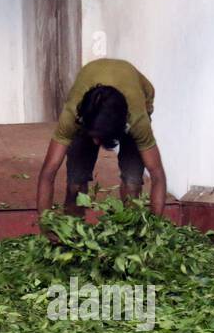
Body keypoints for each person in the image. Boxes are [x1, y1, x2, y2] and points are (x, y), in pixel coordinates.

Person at [35, 57, 167, 224]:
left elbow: (157, 175)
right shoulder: (72, 115)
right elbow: (48, 172)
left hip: (133, 105)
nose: (96, 144)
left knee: (132, 183)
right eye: (93, 136)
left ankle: (131, 234)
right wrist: (45, 224)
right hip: (89, 109)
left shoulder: (137, 120)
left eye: (100, 137)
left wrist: (153, 229)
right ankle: (72, 233)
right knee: (75, 184)